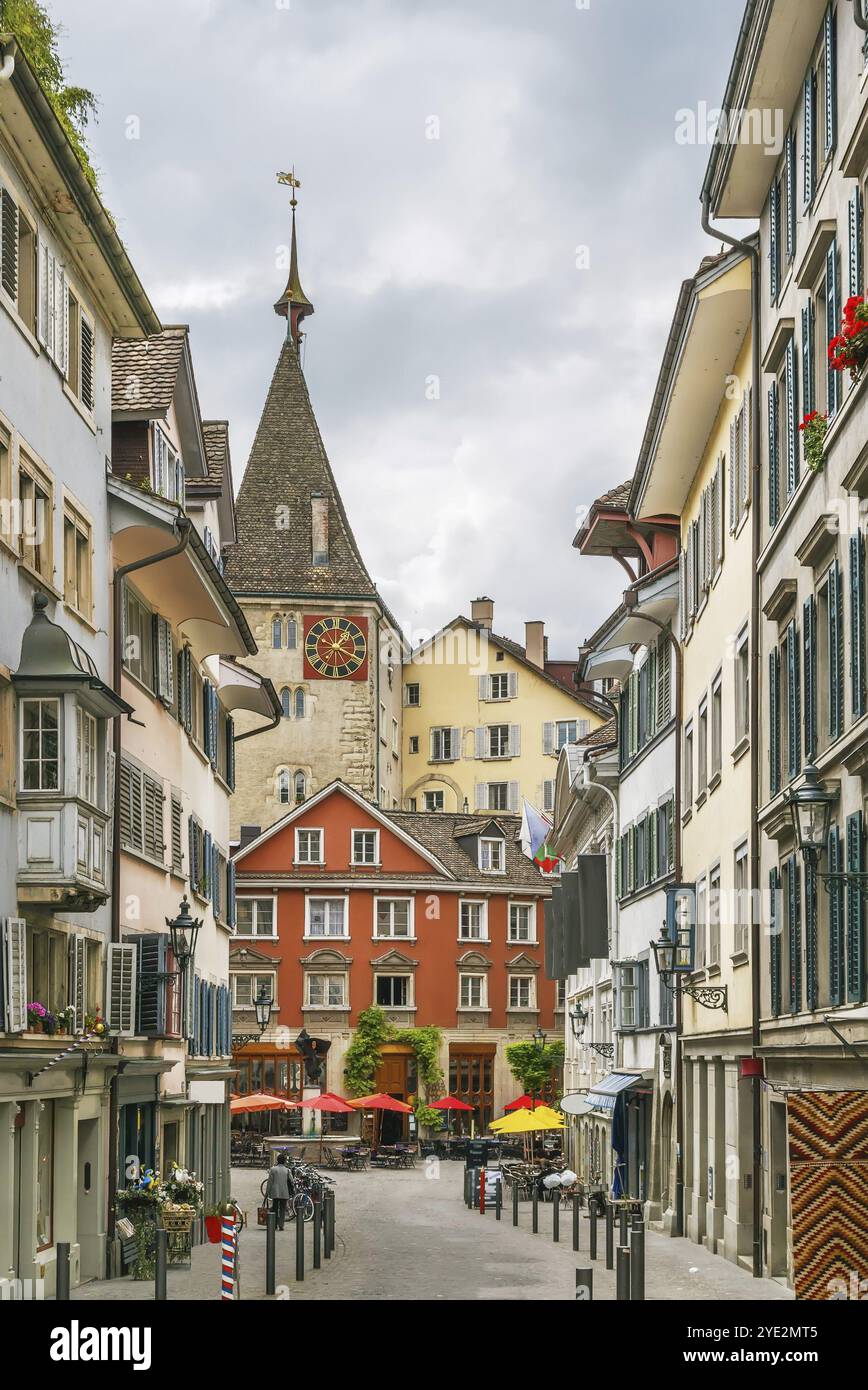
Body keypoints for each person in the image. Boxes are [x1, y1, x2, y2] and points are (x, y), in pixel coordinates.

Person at [266, 1152, 291, 1230]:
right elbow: (292, 1181)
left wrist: (267, 1192)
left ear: (277, 1161)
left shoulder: (273, 1169)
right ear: (284, 1161)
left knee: (275, 1208)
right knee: (283, 1209)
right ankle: (281, 1225)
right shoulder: (287, 1170)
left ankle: (275, 1224)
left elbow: (270, 1182)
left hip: (275, 1192)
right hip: (284, 1192)